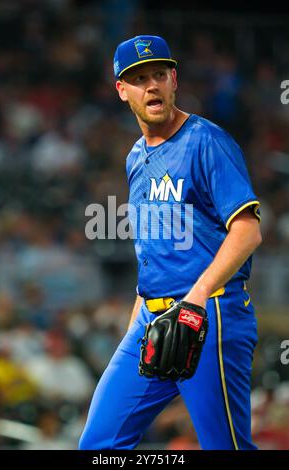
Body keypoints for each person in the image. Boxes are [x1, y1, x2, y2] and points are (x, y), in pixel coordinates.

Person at [79, 35, 262, 450]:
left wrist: (196, 299)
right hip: (152, 318)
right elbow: (155, 255)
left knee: (225, 447)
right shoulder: (135, 157)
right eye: (139, 78)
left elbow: (248, 231)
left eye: (159, 74)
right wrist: (134, 329)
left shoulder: (207, 141)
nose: (152, 86)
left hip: (211, 311)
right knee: (99, 444)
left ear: (174, 79)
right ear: (122, 91)